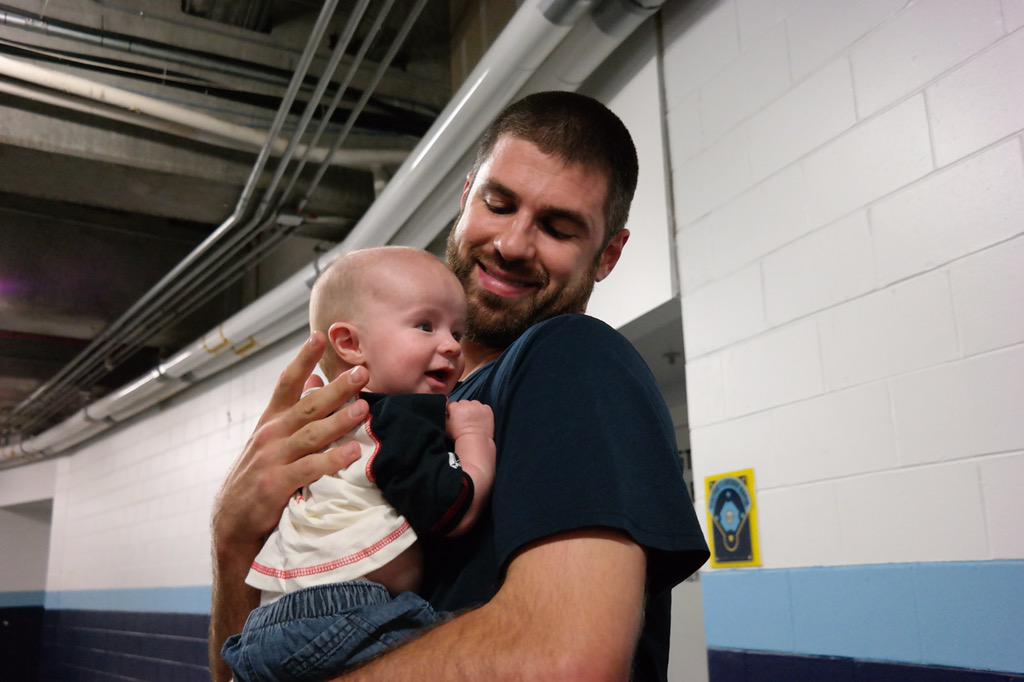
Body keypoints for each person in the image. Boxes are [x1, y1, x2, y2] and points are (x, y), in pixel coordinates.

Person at [210, 91, 709, 682]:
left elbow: (563, 664)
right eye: (498, 204)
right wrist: (234, 542)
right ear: (466, 195)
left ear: (608, 255)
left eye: (557, 227)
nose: (512, 243)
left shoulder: (571, 358)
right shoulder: (388, 406)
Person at [220, 247, 496, 681]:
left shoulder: (322, 417)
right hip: (348, 616)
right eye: (425, 325)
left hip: (265, 622)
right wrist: (475, 439)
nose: (451, 346)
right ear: (350, 343)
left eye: (457, 333)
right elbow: (451, 509)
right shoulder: (404, 415)